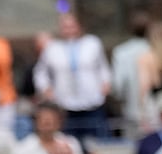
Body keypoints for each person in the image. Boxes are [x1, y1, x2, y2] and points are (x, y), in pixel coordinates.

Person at [33, 14, 112, 142]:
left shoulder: (92, 43)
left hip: (92, 101)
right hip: (65, 104)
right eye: (65, 27)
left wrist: (106, 83)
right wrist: (45, 88)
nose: (69, 30)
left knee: (99, 141)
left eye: (72, 26)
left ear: (79, 27)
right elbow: (40, 72)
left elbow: (103, 67)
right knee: (69, 142)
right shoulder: (52, 47)